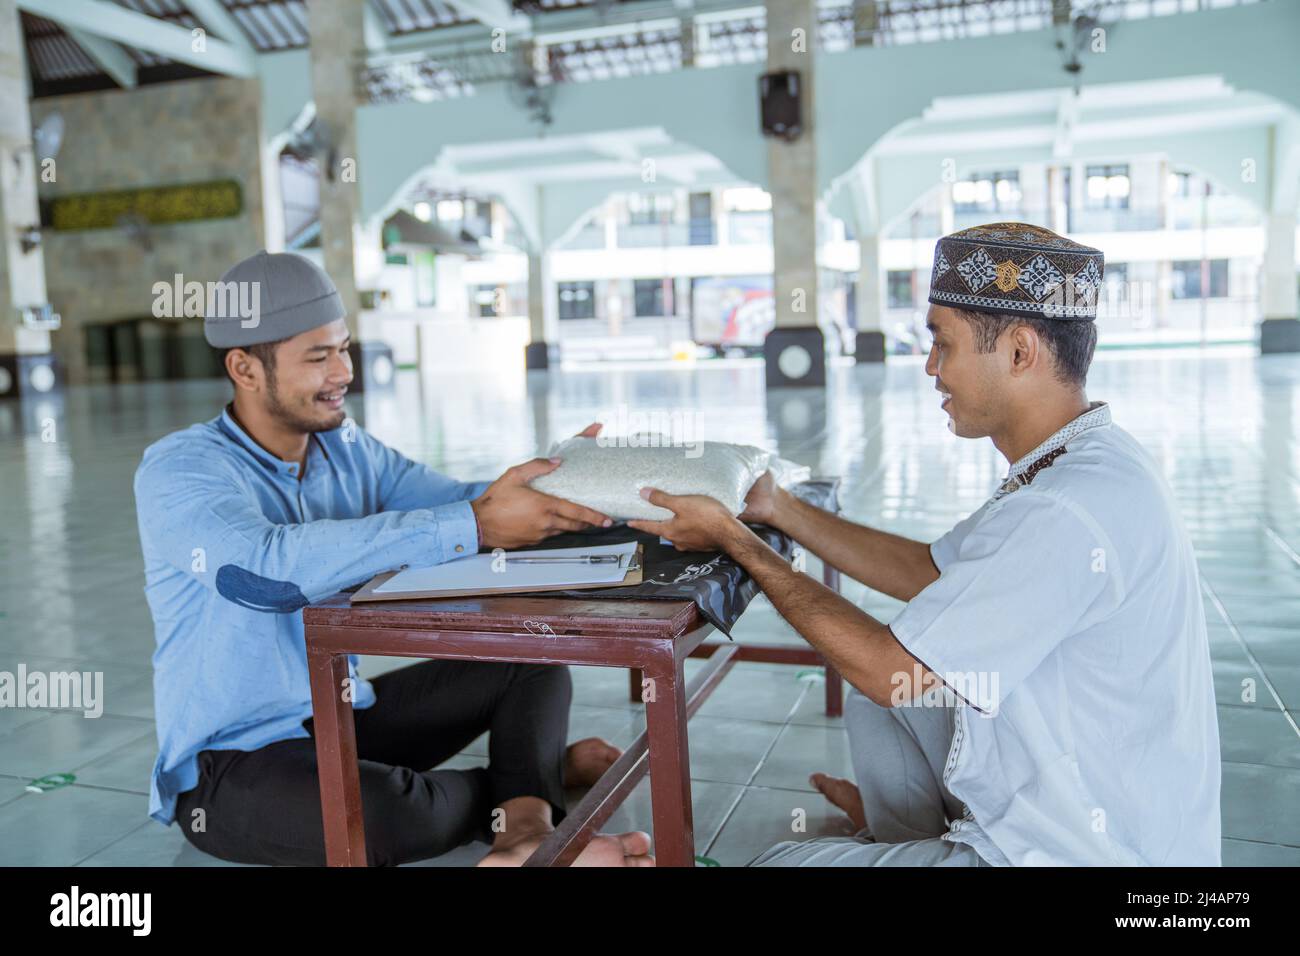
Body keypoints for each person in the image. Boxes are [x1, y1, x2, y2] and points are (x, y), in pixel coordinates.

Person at [628, 223, 1221, 866]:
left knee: (778, 861)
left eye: (943, 343)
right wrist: (780, 509)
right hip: (1100, 801)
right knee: (890, 712)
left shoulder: (1063, 509)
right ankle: (906, 847)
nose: (931, 366)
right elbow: (930, 570)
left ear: (1020, 351)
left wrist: (737, 540)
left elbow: (891, 672)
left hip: (1087, 852)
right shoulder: (1084, 460)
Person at [134, 250, 652, 867]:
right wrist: (475, 522)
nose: (343, 371)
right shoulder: (181, 468)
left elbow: (468, 505)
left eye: (345, 348)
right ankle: (525, 785)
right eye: (318, 356)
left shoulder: (348, 452)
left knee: (531, 659)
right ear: (245, 368)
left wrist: (583, 486)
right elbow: (260, 571)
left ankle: (521, 833)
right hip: (230, 766)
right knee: (383, 815)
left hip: (339, 715)